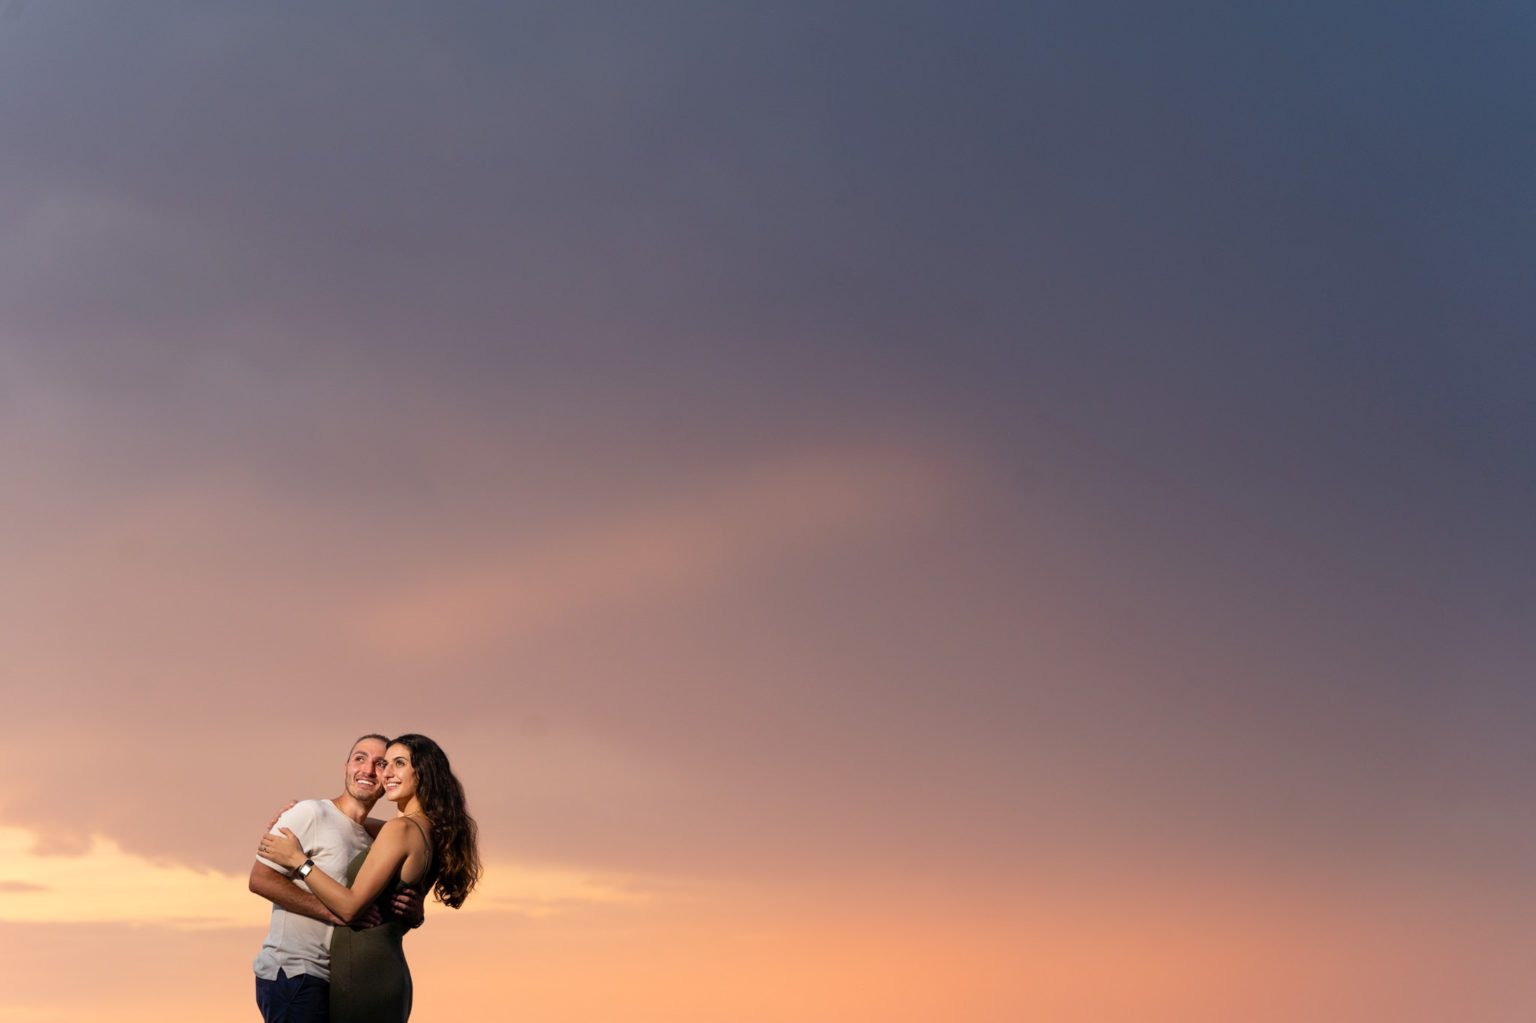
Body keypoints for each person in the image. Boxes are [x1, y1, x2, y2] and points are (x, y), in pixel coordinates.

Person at [261, 733, 482, 1023]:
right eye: (384, 764)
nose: (385, 773)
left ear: (423, 772)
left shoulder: (399, 830)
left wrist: (299, 862)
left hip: (364, 977)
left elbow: (351, 908)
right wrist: (298, 816)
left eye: (397, 764)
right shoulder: (428, 831)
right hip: (380, 973)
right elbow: (353, 824)